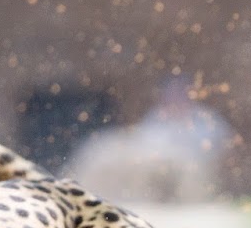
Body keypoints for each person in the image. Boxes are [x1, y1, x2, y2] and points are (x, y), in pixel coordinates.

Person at [67, 78, 231, 204]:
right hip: (153, 166)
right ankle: (81, 190)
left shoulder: (205, 120)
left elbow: (219, 149)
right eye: (172, 95)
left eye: (180, 94)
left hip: (188, 169)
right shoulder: (158, 117)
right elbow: (145, 142)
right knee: (105, 151)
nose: (175, 99)